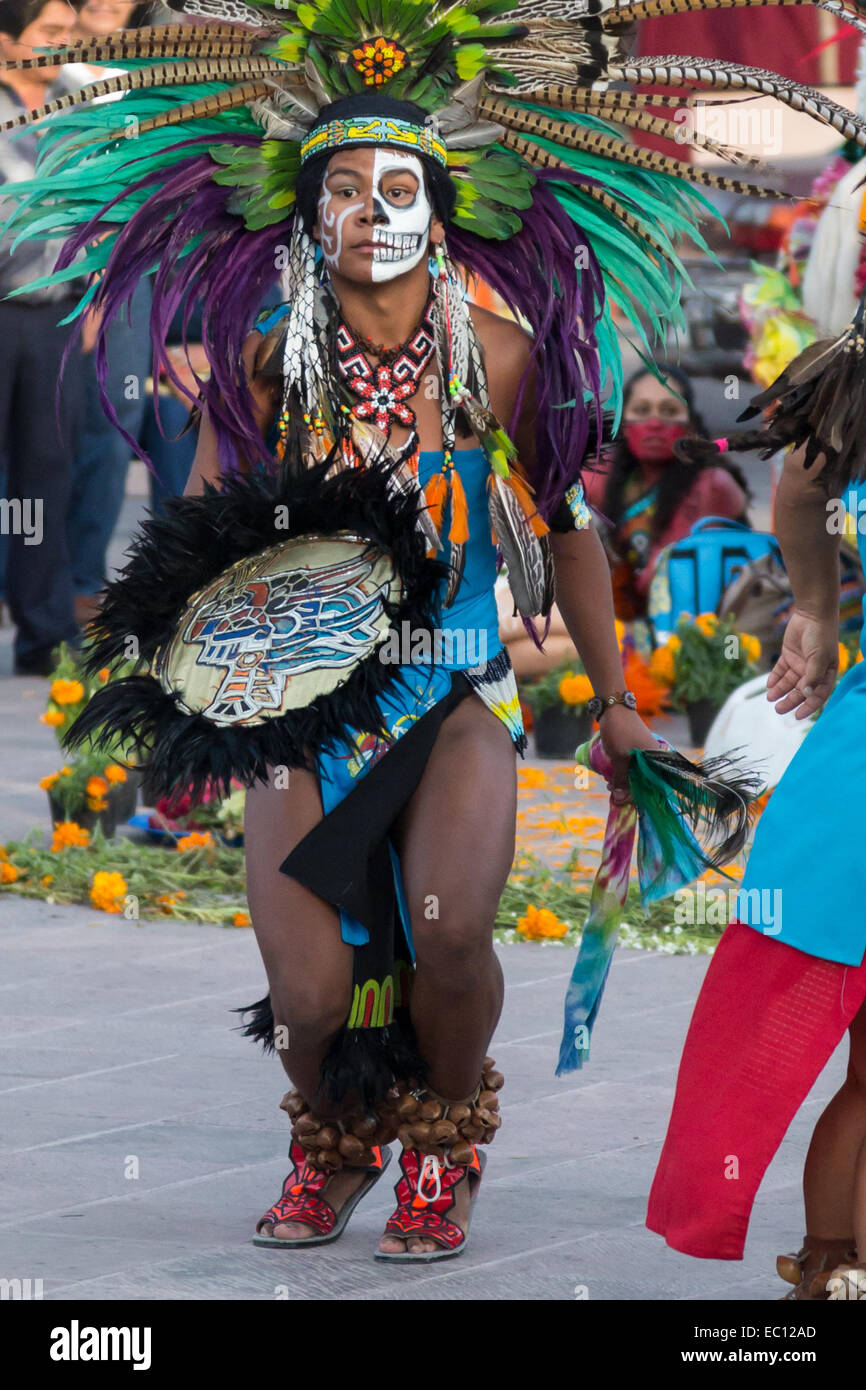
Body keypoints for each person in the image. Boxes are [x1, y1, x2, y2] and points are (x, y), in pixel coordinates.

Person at [5, 0, 864, 1266]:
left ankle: (441, 1144)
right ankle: (336, 1135)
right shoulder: (260, 365)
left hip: (455, 688)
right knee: (307, 991)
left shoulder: (506, 362)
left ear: (439, 202)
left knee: (451, 929)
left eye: (394, 183)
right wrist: (181, 669)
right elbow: (190, 526)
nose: (368, 210)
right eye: (340, 186)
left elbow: (569, 527)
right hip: (296, 703)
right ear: (306, 212)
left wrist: (617, 701)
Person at [646, 461, 866, 1295]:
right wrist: (813, 605)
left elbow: (807, 476)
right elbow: (809, 475)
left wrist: (815, 603)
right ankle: (837, 1269)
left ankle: (832, 1269)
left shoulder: (850, 378)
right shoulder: (851, 379)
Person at [0, 0, 84, 674]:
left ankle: (43, 633)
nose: (62, 44)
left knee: (45, 478)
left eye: (66, 32)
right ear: (6, 42)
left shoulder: (78, 105)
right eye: (48, 34)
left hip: (56, 318)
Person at [584, 365, 750, 620]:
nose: (654, 423)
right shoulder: (603, 476)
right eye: (642, 410)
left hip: (689, 628)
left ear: (690, 424)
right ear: (623, 423)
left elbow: (663, 576)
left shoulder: (713, 485)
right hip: (620, 621)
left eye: (669, 411)